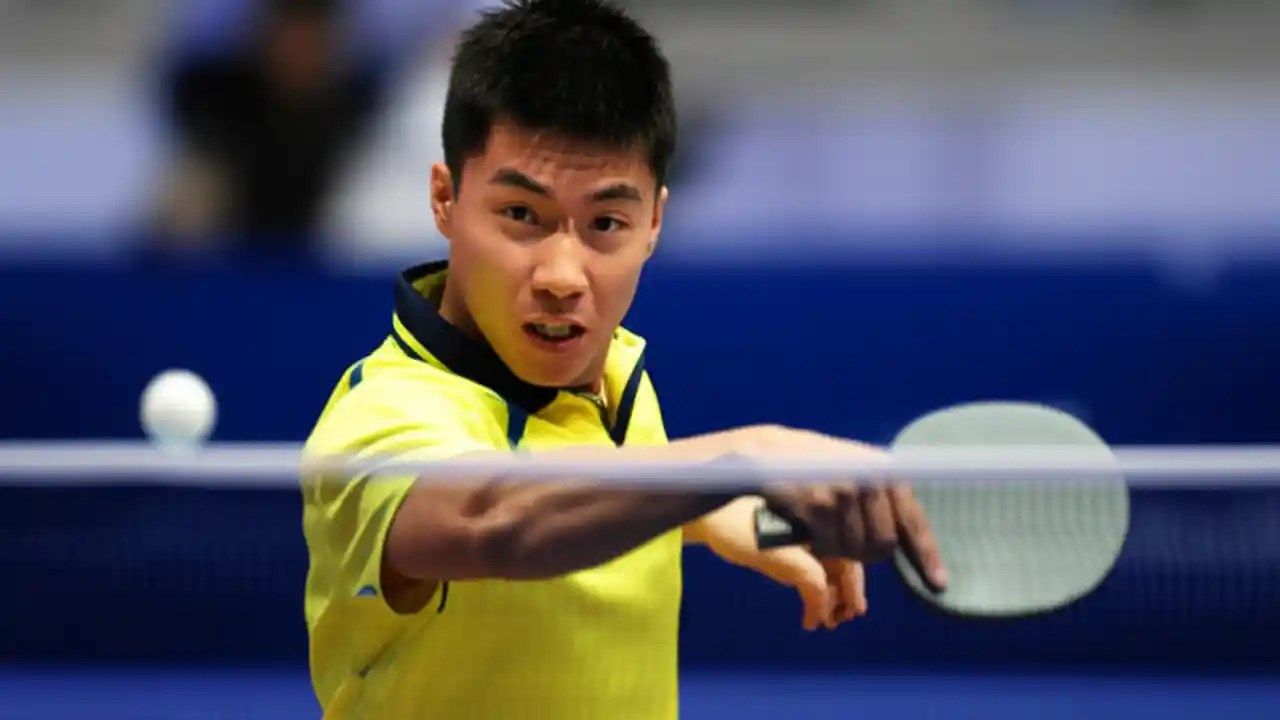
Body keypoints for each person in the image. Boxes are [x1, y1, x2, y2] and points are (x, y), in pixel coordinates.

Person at [301, 1, 947, 718]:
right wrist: (736, 465)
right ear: (446, 199)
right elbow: (491, 520)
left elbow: (577, 481)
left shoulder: (615, 376)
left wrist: (701, 516)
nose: (562, 275)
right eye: (522, 215)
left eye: (606, 223)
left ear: (655, 225)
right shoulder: (381, 413)